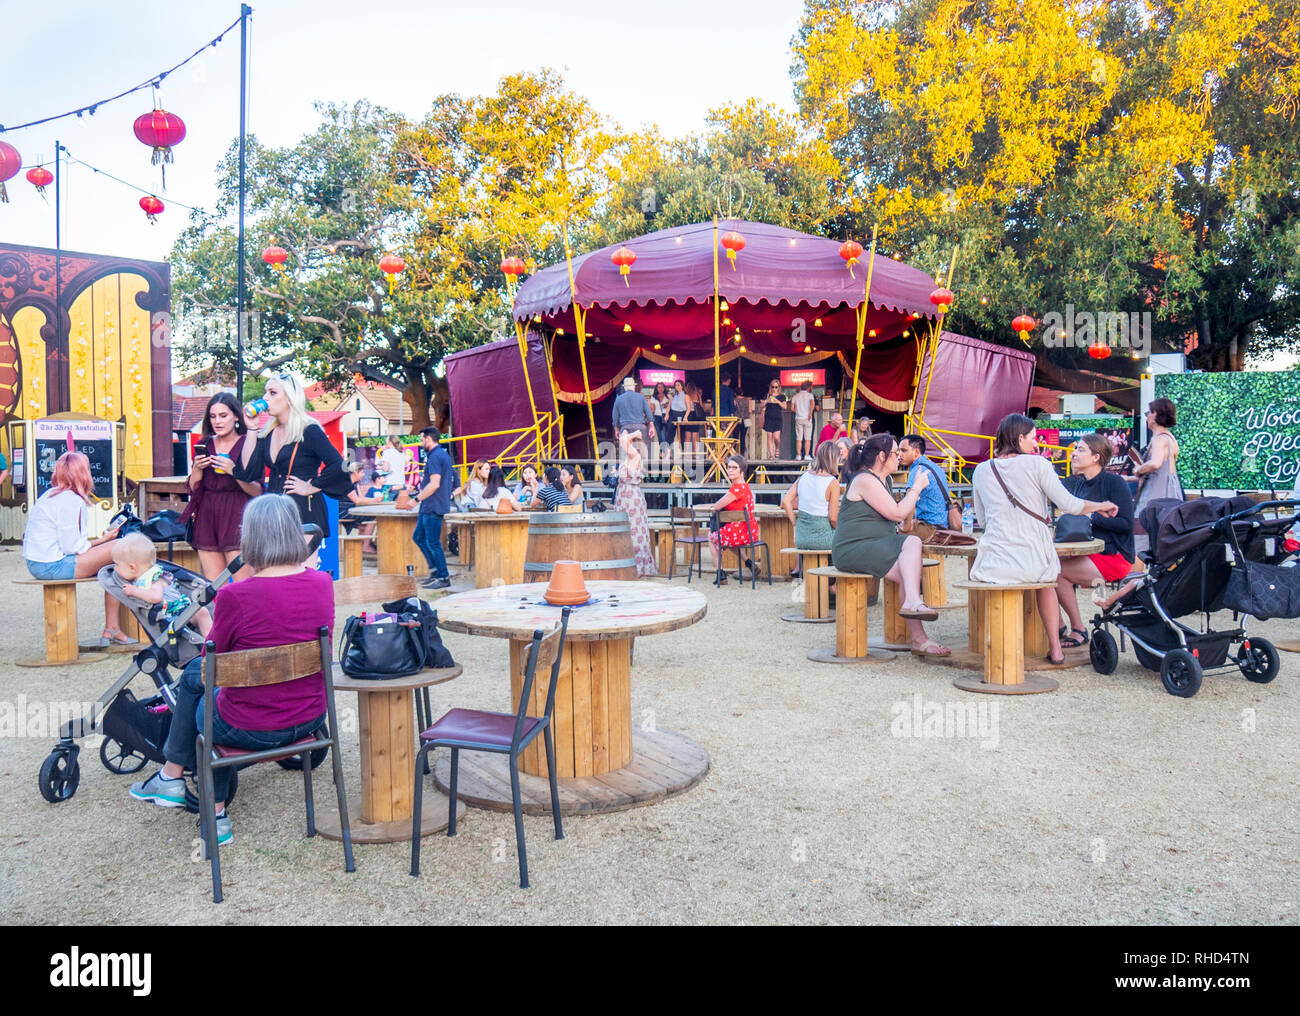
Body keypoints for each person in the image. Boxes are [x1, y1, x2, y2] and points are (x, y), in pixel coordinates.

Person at [128, 494, 335, 846]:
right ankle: (171, 776)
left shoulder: (236, 596)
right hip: (311, 719)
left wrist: (205, 616)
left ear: (250, 538)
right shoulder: (322, 584)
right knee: (203, 682)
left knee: (201, 688)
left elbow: (217, 661)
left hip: (249, 727)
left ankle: (200, 799)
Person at [970, 414, 1118, 665]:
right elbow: (1069, 505)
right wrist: (1100, 505)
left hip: (994, 562)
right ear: (1020, 438)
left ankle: (997, 650)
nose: (1036, 442)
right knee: (1047, 582)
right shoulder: (1039, 465)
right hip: (1033, 557)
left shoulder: (982, 470)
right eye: (1033, 437)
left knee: (1044, 578)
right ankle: (1055, 647)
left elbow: (982, 521)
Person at [833, 435, 949, 656]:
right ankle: (915, 610)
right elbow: (896, 513)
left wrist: (909, 511)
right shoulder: (864, 480)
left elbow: (901, 522)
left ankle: (918, 636)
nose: (899, 457)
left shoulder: (885, 481)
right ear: (882, 456)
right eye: (896, 453)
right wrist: (915, 489)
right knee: (913, 546)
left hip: (878, 544)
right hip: (854, 547)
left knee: (910, 568)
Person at [235, 373, 351, 564]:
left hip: (304, 510)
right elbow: (246, 471)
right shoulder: (267, 432)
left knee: (302, 574)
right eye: (266, 392)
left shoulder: (309, 430)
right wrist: (252, 429)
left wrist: (312, 486)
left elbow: (339, 465)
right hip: (274, 512)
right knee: (274, 572)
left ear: (289, 398)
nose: (265, 398)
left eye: (272, 393)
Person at [22, 450, 131, 645]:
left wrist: (102, 542)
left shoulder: (50, 494)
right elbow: (73, 547)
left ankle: (112, 629)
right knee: (122, 548)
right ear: (82, 473)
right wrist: (104, 541)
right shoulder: (71, 500)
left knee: (115, 561)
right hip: (53, 565)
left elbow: (71, 544)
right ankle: (113, 627)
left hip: (38, 562)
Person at [1056, 435, 1135, 645]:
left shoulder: (1114, 483)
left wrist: (1091, 516)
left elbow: (1126, 524)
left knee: (1054, 572)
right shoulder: (1077, 483)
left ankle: (1077, 630)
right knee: (1044, 564)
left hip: (1114, 556)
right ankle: (1056, 627)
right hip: (1088, 553)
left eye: (1080, 450)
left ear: (1095, 457)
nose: (1073, 453)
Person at [182, 392, 262, 581]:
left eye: (223, 415)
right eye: (212, 416)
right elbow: (194, 489)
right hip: (208, 516)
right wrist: (197, 469)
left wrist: (234, 472)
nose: (217, 421)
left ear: (236, 416)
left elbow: (257, 491)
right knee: (214, 585)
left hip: (238, 515)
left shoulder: (247, 443)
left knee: (244, 583)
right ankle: (218, 612)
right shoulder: (205, 444)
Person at [111, 533, 213, 638]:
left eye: (117, 565)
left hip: (180, 611)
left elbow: (156, 597)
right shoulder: (139, 580)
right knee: (201, 613)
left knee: (202, 612)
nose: (114, 568)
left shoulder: (154, 578)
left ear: (132, 568)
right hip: (171, 618)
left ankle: (213, 644)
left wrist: (134, 591)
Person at [1132, 397, 1183, 557]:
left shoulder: (1160, 439)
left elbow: (1155, 464)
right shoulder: (1169, 438)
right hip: (1166, 499)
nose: (1146, 416)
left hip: (1155, 501)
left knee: (1141, 543)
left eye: (1149, 412)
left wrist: (1139, 468)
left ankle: (1135, 579)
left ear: (1156, 415)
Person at [707, 454, 761, 584]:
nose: (730, 470)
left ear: (742, 472)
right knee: (727, 539)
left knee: (711, 537)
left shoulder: (736, 489)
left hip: (741, 531)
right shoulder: (745, 487)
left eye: (734, 468)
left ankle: (720, 573)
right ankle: (749, 562)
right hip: (749, 530)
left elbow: (716, 506)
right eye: (729, 467)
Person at [412, 426, 455, 588]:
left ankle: (443, 577)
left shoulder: (436, 456)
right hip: (429, 504)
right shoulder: (439, 455)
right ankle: (435, 572)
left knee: (433, 542)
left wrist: (416, 499)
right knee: (419, 538)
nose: (420, 442)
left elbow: (435, 484)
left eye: (422, 439)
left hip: (433, 505)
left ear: (429, 439)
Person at [781, 440, 841, 551]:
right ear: (834, 459)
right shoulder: (833, 482)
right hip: (823, 539)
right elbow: (833, 518)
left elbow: (785, 501)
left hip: (801, 538)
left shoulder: (803, 477)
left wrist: (795, 524)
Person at [614, 431, 656, 576]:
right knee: (631, 529)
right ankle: (632, 564)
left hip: (630, 496)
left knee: (634, 530)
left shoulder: (634, 456)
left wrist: (634, 434)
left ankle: (637, 565)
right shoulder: (629, 458)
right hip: (626, 495)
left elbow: (623, 439)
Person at [898, 434, 952, 543]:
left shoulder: (917, 469)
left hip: (930, 528)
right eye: (899, 451)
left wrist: (906, 527)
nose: (899, 455)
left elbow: (910, 504)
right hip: (944, 525)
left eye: (904, 451)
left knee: (891, 536)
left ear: (916, 452)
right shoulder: (935, 467)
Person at [611, 376, 655, 442]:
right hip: (640, 428)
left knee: (627, 450)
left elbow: (615, 417)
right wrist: (652, 426)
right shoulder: (641, 397)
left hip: (625, 428)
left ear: (624, 388)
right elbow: (648, 413)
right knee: (645, 450)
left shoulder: (618, 399)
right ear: (634, 387)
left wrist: (616, 429)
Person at [791, 380, 816, 459]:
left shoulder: (795, 396)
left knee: (799, 438)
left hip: (798, 418)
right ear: (809, 387)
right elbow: (813, 404)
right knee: (807, 438)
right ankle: (807, 455)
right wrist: (810, 413)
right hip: (807, 419)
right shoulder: (810, 395)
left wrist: (798, 412)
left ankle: (798, 455)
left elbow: (792, 408)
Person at [761, 380, 786, 459]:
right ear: (770, 387)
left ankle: (777, 449)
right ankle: (771, 455)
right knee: (769, 436)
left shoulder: (782, 396)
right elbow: (761, 405)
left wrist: (777, 401)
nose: (774, 389)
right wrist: (766, 401)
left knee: (776, 437)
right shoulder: (767, 395)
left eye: (776, 387)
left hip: (778, 418)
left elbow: (785, 407)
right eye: (773, 387)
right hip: (768, 417)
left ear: (779, 387)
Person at [667, 379, 688, 447]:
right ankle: (669, 452)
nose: (677, 387)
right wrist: (667, 414)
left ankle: (682, 451)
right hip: (673, 414)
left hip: (681, 414)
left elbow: (689, 408)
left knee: (681, 434)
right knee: (670, 433)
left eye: (678, 385)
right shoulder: (674, 395)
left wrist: (685, 417)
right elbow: (669, 406)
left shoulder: (685, 396)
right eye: (675, 385)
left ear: (682, 386)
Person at [650, 381, 671, 446]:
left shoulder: (668, 396)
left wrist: (668, 405)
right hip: (657, 417)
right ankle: (663, 451)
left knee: (664, 433)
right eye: (659, 387)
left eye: (662, 387)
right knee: (659, 434)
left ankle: (665, 450)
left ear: (664, 388)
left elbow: (672, 406)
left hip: (665, 416)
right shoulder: (653, 397)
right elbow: (652, 409)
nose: (660, 389)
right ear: (656, 388)